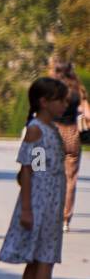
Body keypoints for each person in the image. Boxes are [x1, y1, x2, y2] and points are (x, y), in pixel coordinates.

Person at [0, 77, 73, 279]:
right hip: (41, 205)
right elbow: (29, 171)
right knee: (44, 260)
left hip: (47, 203)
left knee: (35, 261)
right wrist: (29, 208)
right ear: (44, 102)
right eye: (60, 100)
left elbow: (38, 168)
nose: (65, 104)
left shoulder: (49, 128)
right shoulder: (37, 130)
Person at [49, 58, 89, 230]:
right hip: (72, 134)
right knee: (70, 178)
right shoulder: (78, 90)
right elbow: (88, 114)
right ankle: (65, 219)